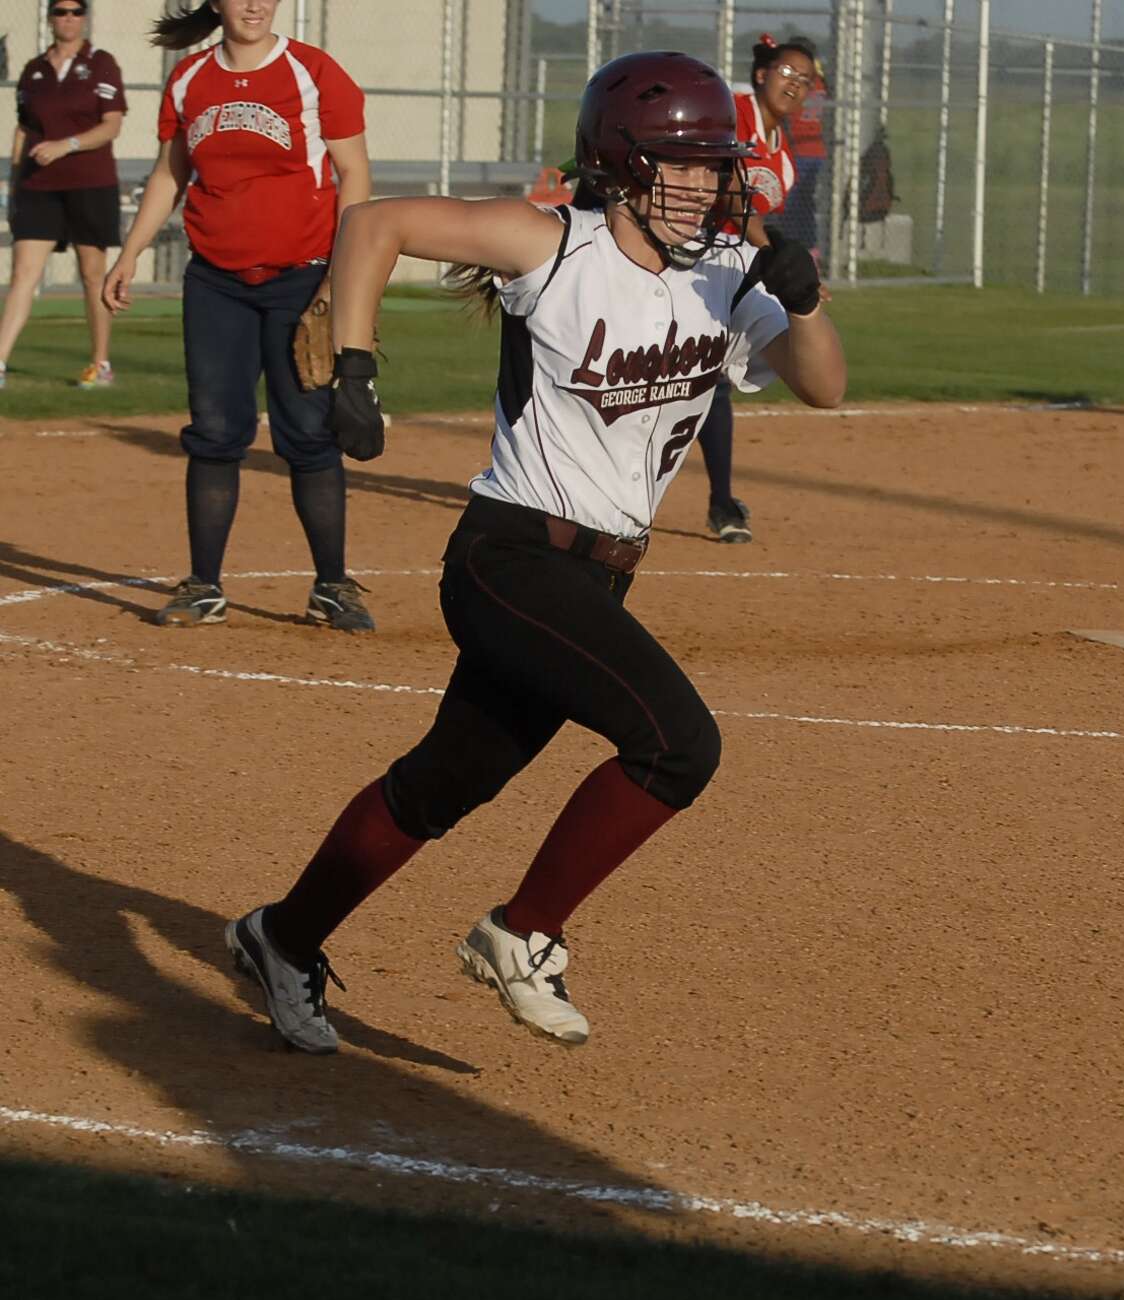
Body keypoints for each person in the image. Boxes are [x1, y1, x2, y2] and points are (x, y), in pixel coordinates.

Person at [223, 50, 846, 1055]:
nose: (701, 182)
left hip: (598, 575)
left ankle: (280, 937)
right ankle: (522, 932)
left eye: (710, 163)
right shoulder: (557, 242)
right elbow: (374, 223)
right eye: (676, 162)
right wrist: (355, 364)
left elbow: (826, 385)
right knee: (678, 742)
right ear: (617, 161)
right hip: (509, 558)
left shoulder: (727, 273)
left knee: (443, 782)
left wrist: (806, 299)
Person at [101, 0, 374, 632]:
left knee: (307, 434)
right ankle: (203, 586)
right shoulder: (190, 78)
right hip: (214, 282)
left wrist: (342, 275)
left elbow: (354, 174)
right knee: (216, 432)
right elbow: (170, 176)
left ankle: (332, 586)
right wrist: (130, 253)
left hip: (302, 280)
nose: (254, 3)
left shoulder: (313, 71)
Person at [698, 33, 820, 545]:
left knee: (713, 382)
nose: (796, 84)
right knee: (691, 381)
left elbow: (751, 226)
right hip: (686, 254)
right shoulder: (734, 111)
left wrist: (793, 273)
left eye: (806, 80)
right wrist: (772, 252)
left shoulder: (785, 162)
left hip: (730, 270)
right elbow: (729, 195)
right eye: (788, 72)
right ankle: (721, 502)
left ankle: (722, 502)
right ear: (763, 73)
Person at [0, 1, 126, 392]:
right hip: (39, 187)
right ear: (50, 17)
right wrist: (14, 184)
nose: (67, 18)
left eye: (75, 11)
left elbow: (111, 126)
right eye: (59, 11)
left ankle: (100, 363)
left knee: (92, 276)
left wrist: (67, 145)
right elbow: (24, 129)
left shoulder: (101, 63)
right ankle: (0, 361)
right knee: (23, 274)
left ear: (84, 18)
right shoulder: (34, 70)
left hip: (90, 183)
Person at [785, 49, 828, 259]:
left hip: (800, 151)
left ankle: (802, 250)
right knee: (804, 203)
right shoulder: (820, 80)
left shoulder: (802, 82)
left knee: (794, 204)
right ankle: (808, 249)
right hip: (817, 151)